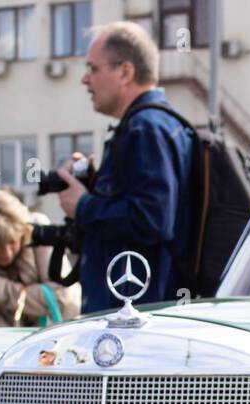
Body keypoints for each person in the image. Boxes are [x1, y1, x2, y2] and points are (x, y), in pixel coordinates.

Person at [55, 21, 194, 313]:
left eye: (93, 69)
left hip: (136, 322)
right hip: (136, 316)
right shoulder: (150, 126)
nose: (85, 80)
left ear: (125, 72)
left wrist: (83, 206)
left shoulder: (146, 129)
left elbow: (152, 219)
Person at [0, 189, 80, 327]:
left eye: (12, 241)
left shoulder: (38, 231)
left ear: (22, 233)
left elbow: (62, 298)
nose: (7, 253)